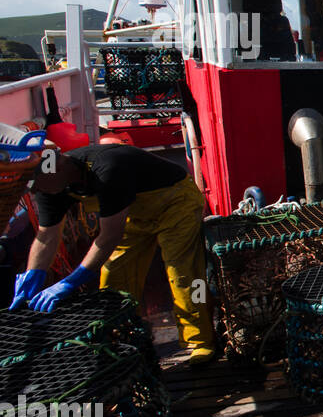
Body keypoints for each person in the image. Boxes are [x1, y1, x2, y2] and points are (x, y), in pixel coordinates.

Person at [10, 143, 216, 364]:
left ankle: (200, 340)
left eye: (36, 185)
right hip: (134, 215)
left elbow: (109, 236)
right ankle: (122, 342)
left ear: (57, 167)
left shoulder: (107, 167)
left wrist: (70, 282)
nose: (35, 192)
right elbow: (46, 236)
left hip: (177, 204)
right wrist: (33, 274)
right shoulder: (50, 187)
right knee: (113, 276)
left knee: (186, 274)